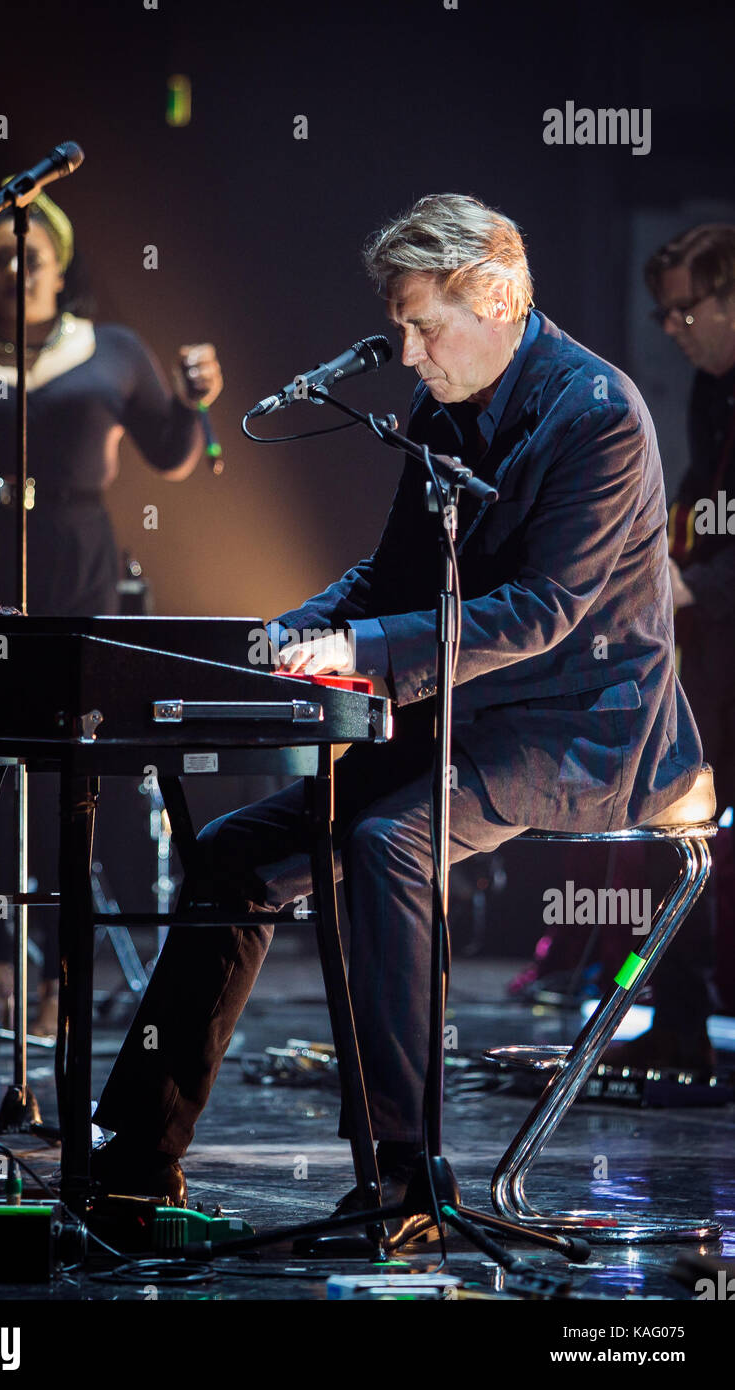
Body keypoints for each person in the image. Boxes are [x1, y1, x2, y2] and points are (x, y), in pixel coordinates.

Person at [91, 193, 702, 1240]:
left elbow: (545, 613)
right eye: (403, 328)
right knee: (235, 856)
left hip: (578, 728)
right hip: (460, 720)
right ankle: (137, 1161)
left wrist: (364, 655)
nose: (408, 352)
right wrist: (274, 641)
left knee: (388, 836)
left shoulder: (595, 412)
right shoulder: (440, 406)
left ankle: (403, 1179)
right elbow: (389, 577)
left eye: (425, 325)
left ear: (499, 297)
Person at [0, 190, 223, 1032]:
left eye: (30, 255)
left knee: (77, 756)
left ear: (60, 266)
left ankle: (67, 965)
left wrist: (199, 398)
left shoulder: (114, 350)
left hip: (79, 556)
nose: (16, 269)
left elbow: (175, 453)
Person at [613, 222, 735, 1067]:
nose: (672, 327)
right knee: (678, 806)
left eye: (684, 309)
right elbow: (701, 495)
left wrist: (700, 581)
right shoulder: (708, 389)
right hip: (718, 644)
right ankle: (679, 1025)